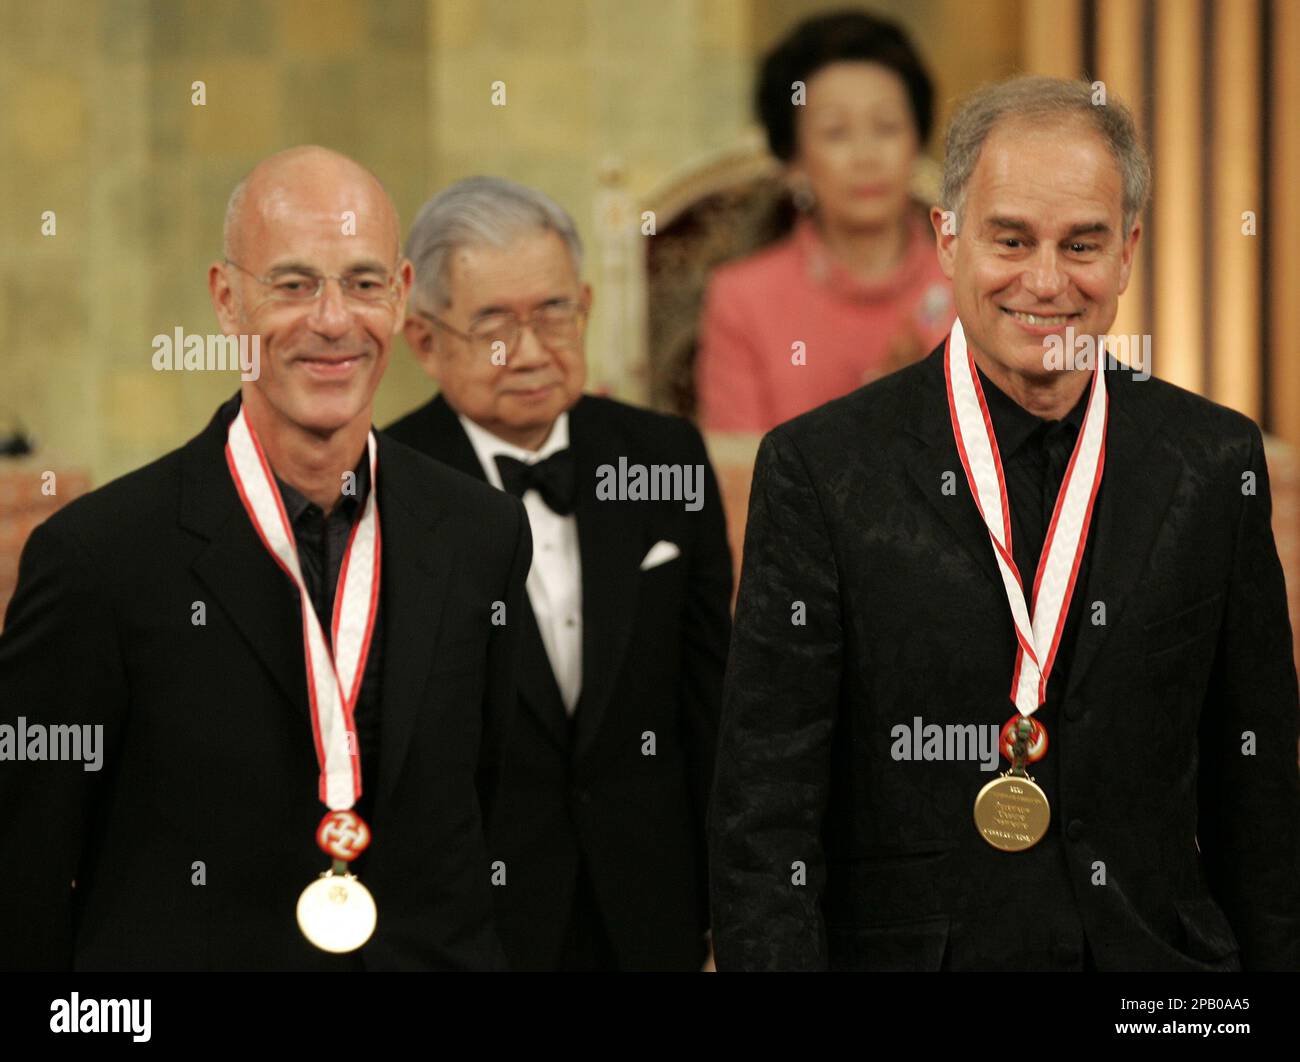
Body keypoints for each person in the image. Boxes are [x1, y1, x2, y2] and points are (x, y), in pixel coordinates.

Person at [709, 77, 1300, 971]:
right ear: (948, 239)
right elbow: (767, 809)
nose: (1047, 281)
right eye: (1012, 239)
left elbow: (1257, 793)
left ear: (1130, 251)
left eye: (1083, 244)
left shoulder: (1213, 462)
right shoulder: (823, 470)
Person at [0, 146, 532, 971]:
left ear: (398, 296)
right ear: (226, 300)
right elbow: (25, 871)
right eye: (292, 284)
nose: (332, 320)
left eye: (362, 283)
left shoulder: (483, 535)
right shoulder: (97, 559)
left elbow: (492, 811)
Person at [385, 176, 732, 971]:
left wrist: (729, 910)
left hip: (655, 918)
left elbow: (712, 703)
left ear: (585, 304)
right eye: (495, 326)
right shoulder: (388, 489)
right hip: (470, 931)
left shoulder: (664, 456)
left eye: (553, 313)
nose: (534, 351)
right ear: (425, 340)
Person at [694, 9, 954, 435]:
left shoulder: (968, 289)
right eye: (836, 132)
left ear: (916, 143)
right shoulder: (741, 300)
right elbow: (741, 483)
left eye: (886, 127)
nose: (867, 156)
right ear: (794, 162)